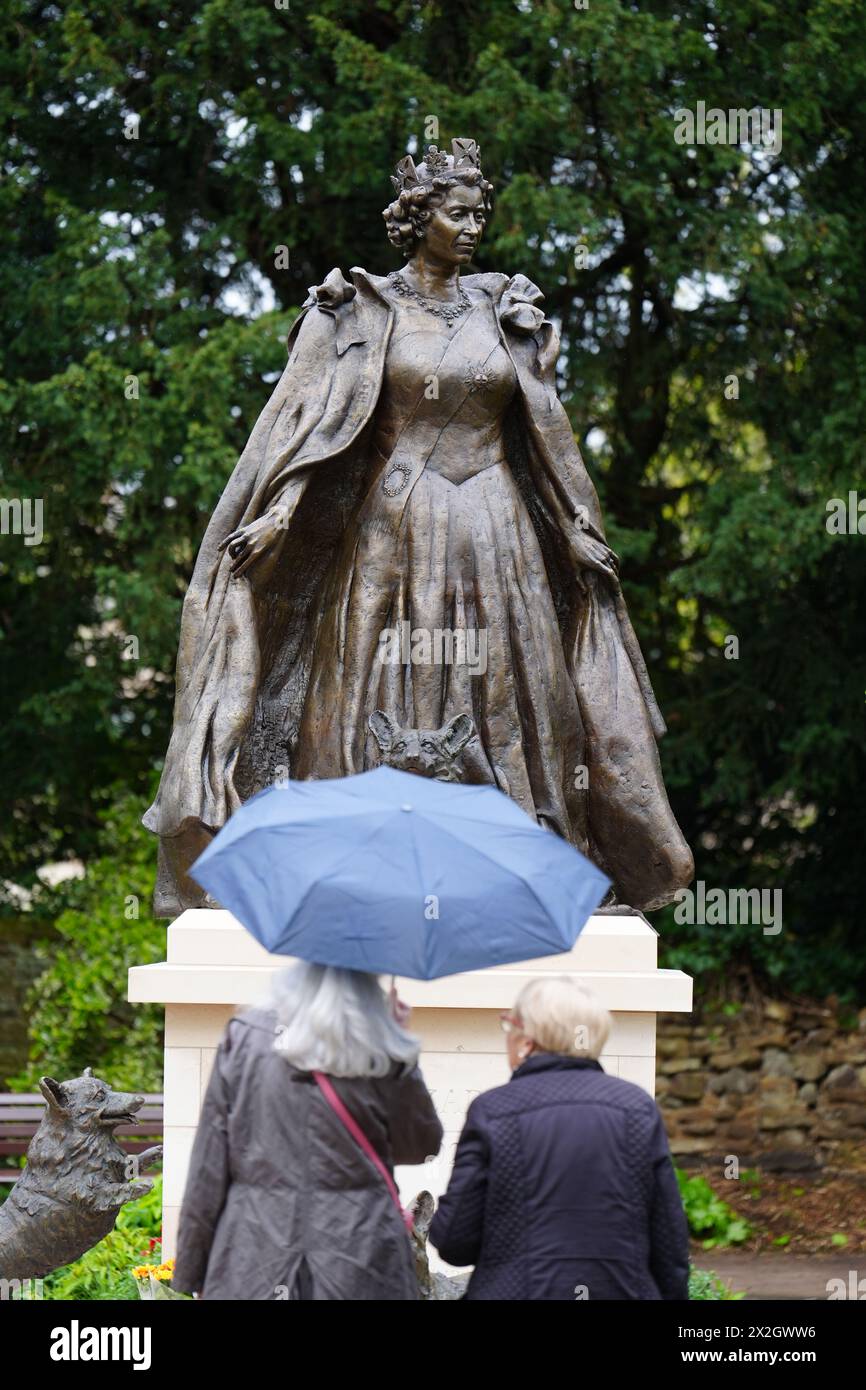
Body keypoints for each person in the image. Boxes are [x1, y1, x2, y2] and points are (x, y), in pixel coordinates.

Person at [143, 136, 692, 921]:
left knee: (520, 683)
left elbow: (543, 433)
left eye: (480, 214)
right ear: (418, 217)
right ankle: (348, 852)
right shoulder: (360, 306)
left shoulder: (507, 310)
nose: (473, 228)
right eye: (457, 213)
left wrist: (571, 525)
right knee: (365, 675)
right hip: (390, 526)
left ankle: (532, 848)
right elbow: (307, 428)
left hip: (498, 523)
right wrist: (279, 512)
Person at [171, 963, 442, 1300]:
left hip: (253, 1259)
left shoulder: (244, 1036)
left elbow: (208, 1168)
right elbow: (419, 1146)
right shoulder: (378, 1039)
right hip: (361, 1260)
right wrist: (401, 1047)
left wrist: (191, 1271)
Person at [429, 976, 690, 1300]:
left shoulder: (493, 1111)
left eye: (509, 1025)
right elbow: (670, 1243)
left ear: (526, 1040)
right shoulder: (638, 1110)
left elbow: (455, 1241)